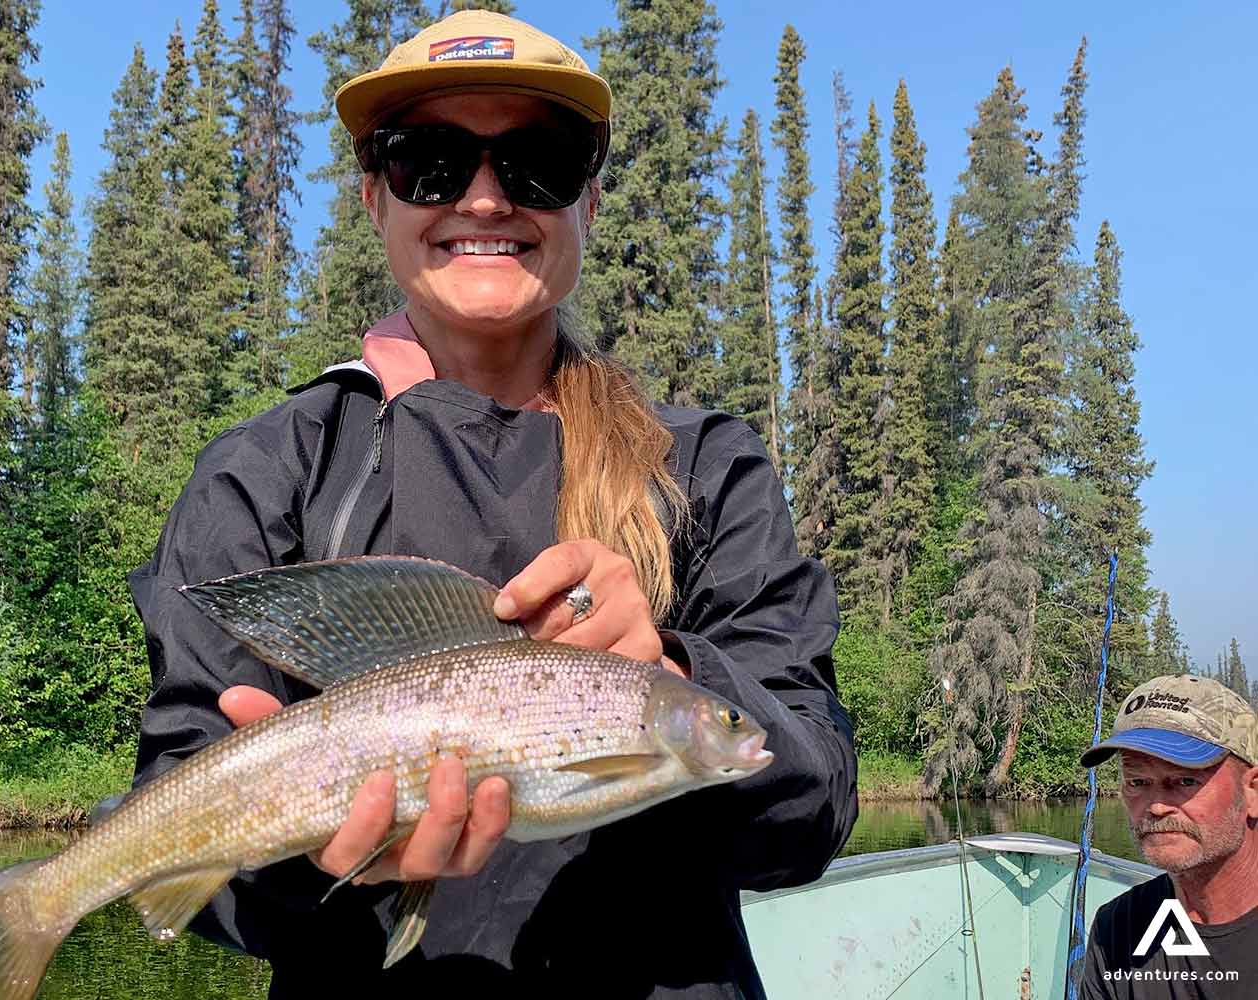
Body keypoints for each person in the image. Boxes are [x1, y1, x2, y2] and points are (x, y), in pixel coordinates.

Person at [130, 10, 856, 997]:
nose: (482, 196)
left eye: (537, 161)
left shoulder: (702, 465)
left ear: (588, 202)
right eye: (430, 159)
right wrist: (302, 853)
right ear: (373, 198)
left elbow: (812, 799)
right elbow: (179, 812)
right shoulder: (267, 471)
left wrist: (673, 663)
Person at [1078, 674, 1258, 999]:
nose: (1157, 806)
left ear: (1252, 792)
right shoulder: (1118, 927)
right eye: (1137, 782)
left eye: (1185, 781)